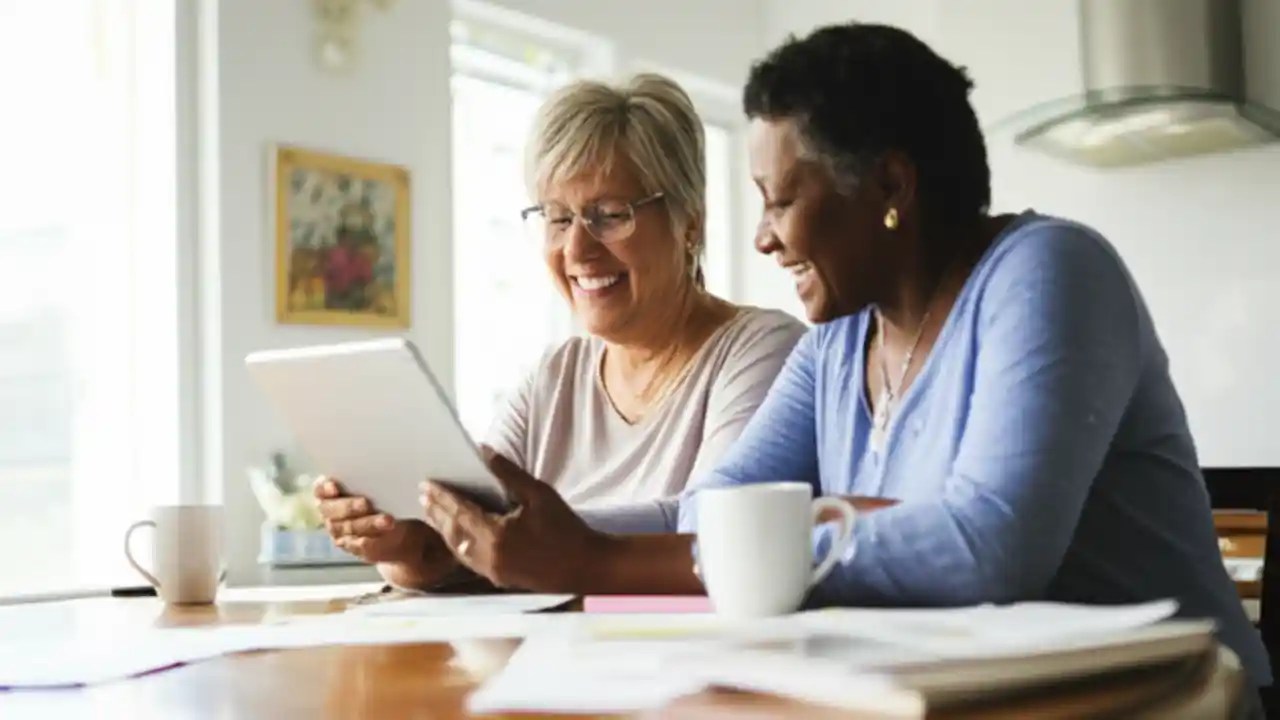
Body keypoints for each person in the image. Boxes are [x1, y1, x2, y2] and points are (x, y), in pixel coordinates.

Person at [414, 22, 1272, 694]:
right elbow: (707, 514)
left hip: (1163, 700)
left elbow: (987, 546)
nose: (760, 236)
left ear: (891, 188)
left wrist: (595, 560)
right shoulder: (837, 343)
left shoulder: (1051, 270)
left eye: (781, 199)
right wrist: (504, 534)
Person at [314, 74, 806, 591]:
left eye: (610, 215)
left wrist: (530, 542)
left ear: (691, 223)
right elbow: (472, 543)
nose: (576, 250)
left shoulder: (762, 352)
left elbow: (715, 530)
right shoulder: (552, 378)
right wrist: (404, 545)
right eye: (557, 217)